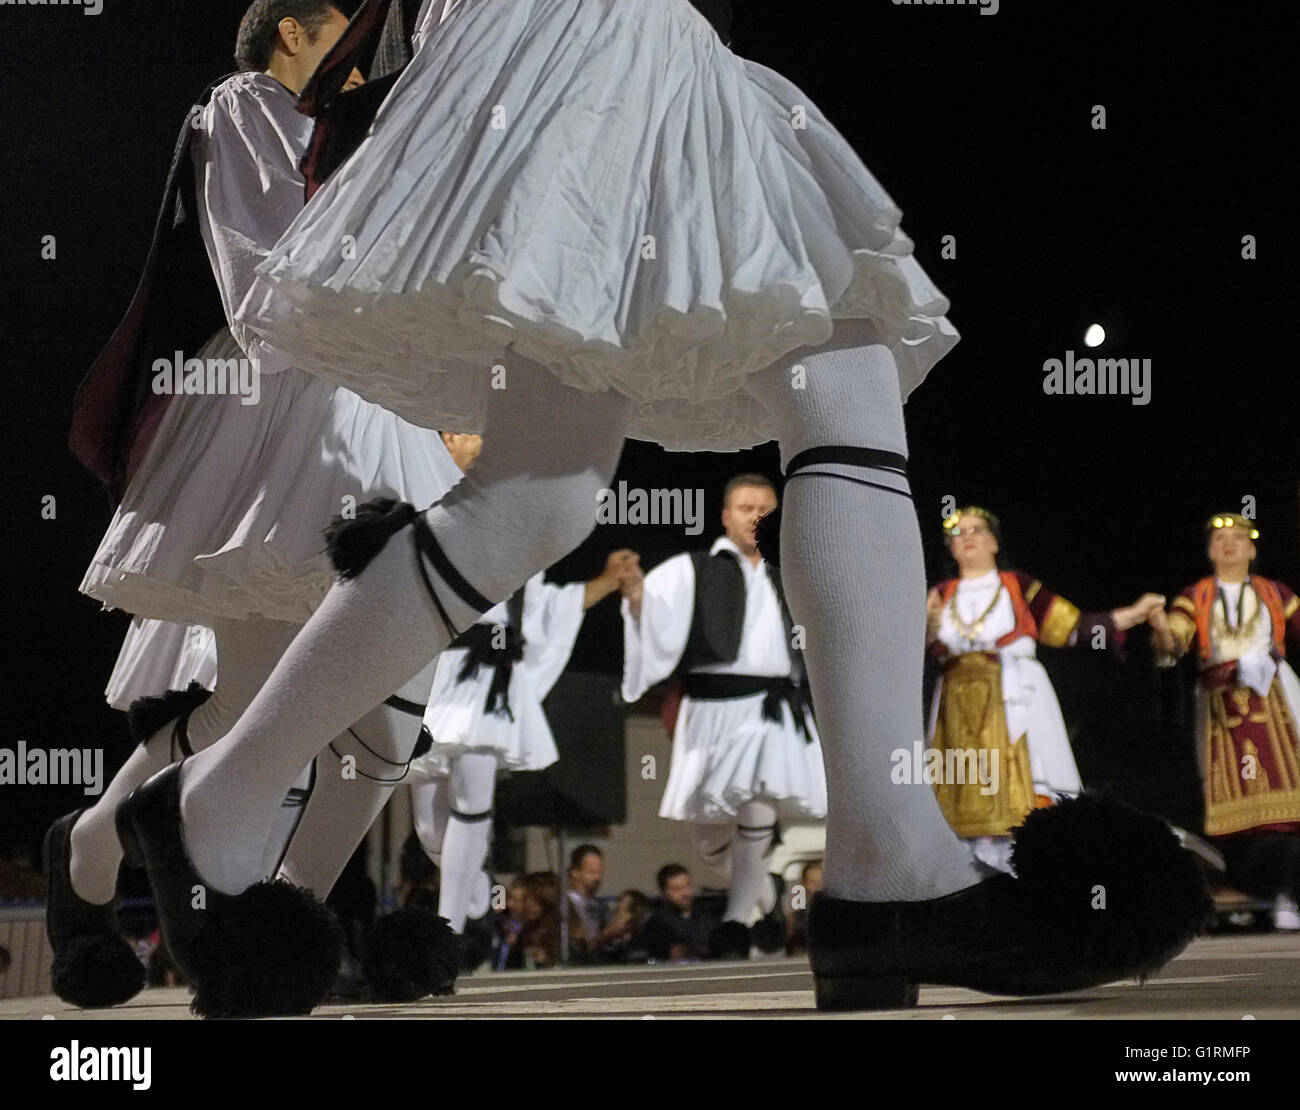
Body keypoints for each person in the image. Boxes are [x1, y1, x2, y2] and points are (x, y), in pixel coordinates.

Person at [117, 0, 1207, 1015]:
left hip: (585, 36)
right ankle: (889, 872)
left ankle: (216, 797)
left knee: (540, 493)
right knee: (836, 376)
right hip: (595, 28)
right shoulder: (241, 106)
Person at [47, 0, 462, 1015]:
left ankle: (285, 932)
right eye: (344, 28)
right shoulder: (241, 106)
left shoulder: (354, 122)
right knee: (255, 703)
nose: (367, 48)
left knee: (389, 728)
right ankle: (95, 842)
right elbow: (264, 270)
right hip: (280, 403)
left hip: (374, 398)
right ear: (291, 31)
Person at [405, 435, 639, 937]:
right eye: (450, 432)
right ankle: (472, 887)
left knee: (472, 799)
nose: (460, 440)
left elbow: (542, 605)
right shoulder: (414, 501)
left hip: (488, 673)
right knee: (427, 826)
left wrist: (603, 580)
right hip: (430, 667)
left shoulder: (512, 512)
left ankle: (449, 930)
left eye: (470, 432)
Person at [620, 474, 824, 955]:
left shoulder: (798, 571)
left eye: (765, 508)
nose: (756, 515)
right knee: (709, 834)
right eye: (745, 507)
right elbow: (655, 617)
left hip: (771, 708)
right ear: (725, 515)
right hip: (710, 711)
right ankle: (764, 890)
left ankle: (735, 922)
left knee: (757, 799)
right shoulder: (692, 569)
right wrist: (635, 598)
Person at [924, 507, 1165, 871]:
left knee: (1024, 788)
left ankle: (1025, 877)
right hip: (957, 706)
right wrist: (927, 628)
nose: (967, 537)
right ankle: (970, 881)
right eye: (958, 533)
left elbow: (1070, 627)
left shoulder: (1018, 587)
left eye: (976, 530)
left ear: (993, 541)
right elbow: (920, 650)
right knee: (962, 787)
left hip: (1014, 696)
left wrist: (1132, 613)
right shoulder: (940, 596)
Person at [1149, 514, 1300, 932]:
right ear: (1210, 550)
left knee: (1288, 802)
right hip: (1220, 709)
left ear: (1252, 549)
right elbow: (1174, 642)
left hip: (1275, 704)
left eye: (1239, 538)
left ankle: (1290, 892)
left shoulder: (1276, 593)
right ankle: (1244, 888)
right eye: (1220, 538)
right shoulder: (1196, 596)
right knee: (1226, 809)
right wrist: (1161, 625)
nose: (1229, 544)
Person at [641, 865, 717, 962]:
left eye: (687, 886)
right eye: (677, 889)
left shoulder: (708, 916)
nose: (685, 893)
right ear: (664, 893)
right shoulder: (657, 924)